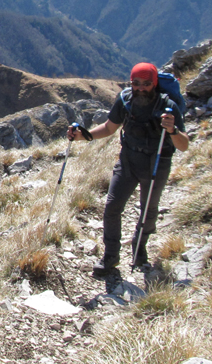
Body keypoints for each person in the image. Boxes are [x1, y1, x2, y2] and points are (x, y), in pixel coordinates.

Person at [67, 62, 189, 278]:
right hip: (128, 160)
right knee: (112, 207)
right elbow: (109, 128)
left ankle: (139, 249)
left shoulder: (168, 106)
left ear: (154, 83)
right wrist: (83, 136)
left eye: (146, 83)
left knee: (148, 211)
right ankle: (110, 256)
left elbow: (183, 144)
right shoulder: (125, 101)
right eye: (136, 83)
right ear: (130, 82)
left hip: (157, 163)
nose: (141, 88)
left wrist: (172, 129)